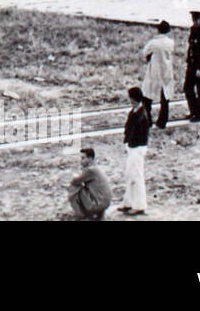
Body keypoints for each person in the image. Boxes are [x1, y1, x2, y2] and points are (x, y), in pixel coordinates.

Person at [119, 86, 151, 216]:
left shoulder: (141, 114)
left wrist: (129, 143)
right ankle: (129, 203)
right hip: (132, 147)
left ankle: (139, 206)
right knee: (130, 175)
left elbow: (138, 134)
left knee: (136, 177)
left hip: (137, 148)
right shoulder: (135, 111)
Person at [142, 20, 175, 129]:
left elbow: (145, 52)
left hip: (154, 71)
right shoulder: (171, 42)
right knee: (165, 97)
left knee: (147, 95)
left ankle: (148, 120)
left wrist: (150, 56)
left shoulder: (153, 43)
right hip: (166, 70)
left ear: (158, 30)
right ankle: (162, 121)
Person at [68, 147, 112, 220]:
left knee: (74, 188)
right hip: (105, 202)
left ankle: (80, 215)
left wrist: (75, 177)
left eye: (83, 158)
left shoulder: (90, 170)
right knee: (83, 188)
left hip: (99, 204)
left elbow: (75, 181)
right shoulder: (96, 167)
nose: (80, 161)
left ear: (90, 158)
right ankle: (97, 215)